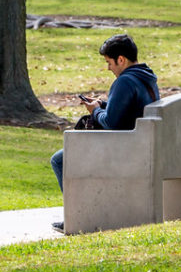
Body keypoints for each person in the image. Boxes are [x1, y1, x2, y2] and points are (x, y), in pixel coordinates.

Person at [50, 35, 160, 229]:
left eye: (109, 62)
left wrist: (95, 111)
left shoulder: (124, 81)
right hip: (139, 144)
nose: (108, 68)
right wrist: (104, 104)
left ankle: (77, 217)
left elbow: (110, 123)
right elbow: (132, 109)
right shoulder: (146, 77)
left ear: (121, 59)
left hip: (122, 148)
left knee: (60, 160)